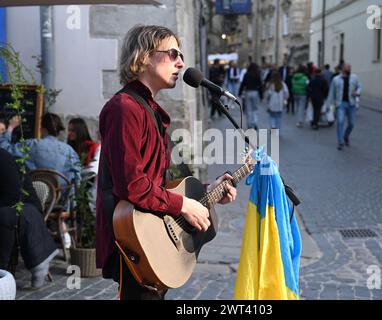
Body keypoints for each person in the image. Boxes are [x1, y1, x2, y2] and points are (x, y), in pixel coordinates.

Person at [96, 24, 237, 300]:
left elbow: (160, 182)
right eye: (172, 53)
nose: (181, 62)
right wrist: (185, 205)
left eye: (180, 55)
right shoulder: (125, 108)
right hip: (134, 237)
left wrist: (208, 191)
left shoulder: (148, 109)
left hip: (154, 236)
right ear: (144, 57)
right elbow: (133, 186)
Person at [0, 148, 59, 289]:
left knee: (4, 217)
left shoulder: (3, 159)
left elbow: (13, 195)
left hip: (24, 207)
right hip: (9, 205)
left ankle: (3, 270)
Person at [0, 113, 81, 184]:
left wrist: (10, 127)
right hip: (61, 197)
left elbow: (4, 150)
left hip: (33, 196)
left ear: (42, 129)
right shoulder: (69, 151)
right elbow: (77, 178)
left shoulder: (32, 145)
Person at [327, 64, 362, 150]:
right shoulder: (336, 79)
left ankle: (346, 136)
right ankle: (340, 141)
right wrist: (330, 108)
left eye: (350, 68)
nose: (349, 69)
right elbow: (331, 94)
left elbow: (360, 87)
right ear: (342, 69)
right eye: (347, 68)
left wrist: (357, 92)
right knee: (340, 122)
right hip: (340, 104)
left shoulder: (354, 77)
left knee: (351, 124)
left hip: (351, 103)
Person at [238, 62, 263, 130]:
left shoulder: (246, 74)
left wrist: (239, 93)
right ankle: (254, 122)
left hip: (248, 92)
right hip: (255, 92)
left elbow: (243, 84)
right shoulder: (257, 75)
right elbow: (260, 85)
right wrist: (261, 96)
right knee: (254, 109)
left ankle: (249, 124)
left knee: (248, 109)